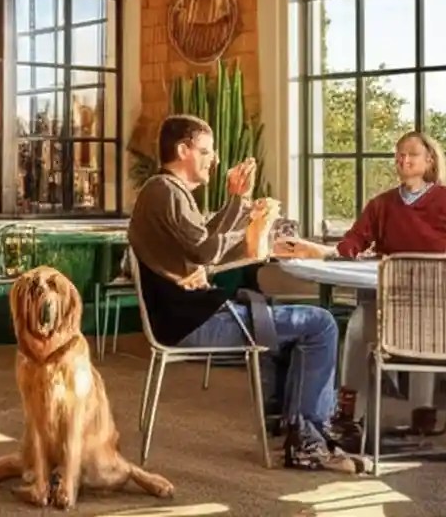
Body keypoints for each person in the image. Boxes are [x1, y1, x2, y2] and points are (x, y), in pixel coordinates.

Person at [127, 115, 354, 472]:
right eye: (206, 151)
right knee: (321, 323)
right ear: (183, 150)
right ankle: (308, 439)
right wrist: (252, 226)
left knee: (291, 318)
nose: (213, 159)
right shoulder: (163, 191)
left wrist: (239, 203)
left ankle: (292, 429)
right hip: (192, 324)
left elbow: (203, 241)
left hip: (189, 317)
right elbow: (204, 251)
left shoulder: (169, 193)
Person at [276, 131, 446, 441]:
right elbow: (352, 243)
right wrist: (315, 249)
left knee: (411, 331)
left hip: (434, 305)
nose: (403, 160)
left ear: (429, 160)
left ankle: (424, 414)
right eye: (399, 154)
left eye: (412, 154)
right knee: (357, 327)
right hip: (383, 301)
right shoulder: (381, 204)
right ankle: (349, 415)